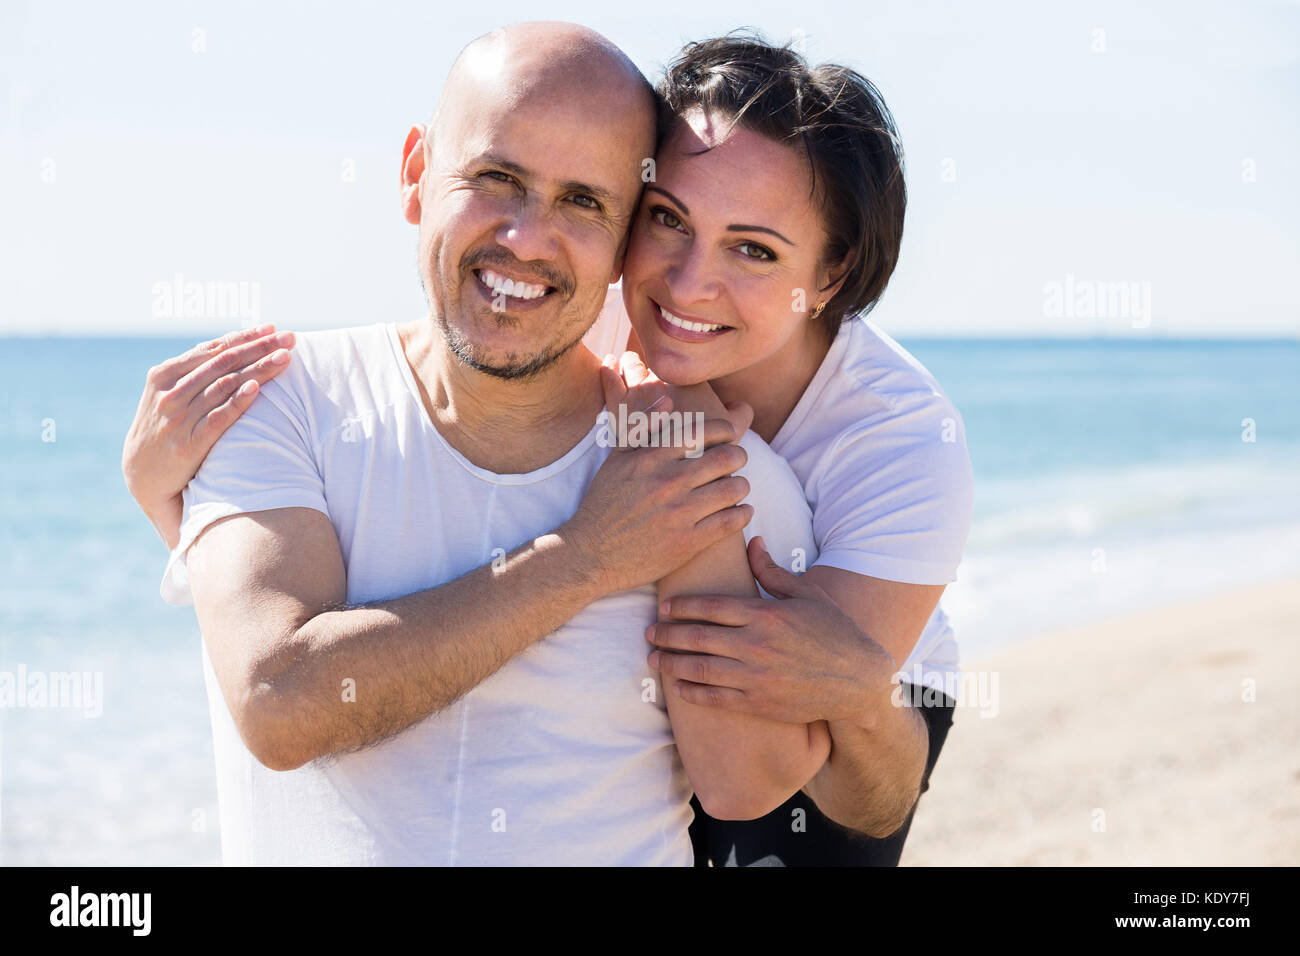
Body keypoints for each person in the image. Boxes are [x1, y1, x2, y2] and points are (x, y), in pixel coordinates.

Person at [124, 28, 973, 866]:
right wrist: (182, 502)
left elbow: (795, 775)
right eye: (670, 220)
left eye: (753, 249)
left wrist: (863, 697)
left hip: (872, 683)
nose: (686, 284)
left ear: (828, 278)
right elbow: (436, 388)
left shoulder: (891, 442)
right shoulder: (574, 316)